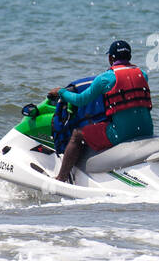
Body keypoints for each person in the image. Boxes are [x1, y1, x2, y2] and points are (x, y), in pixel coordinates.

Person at [49, 40, 153, 183]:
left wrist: (61, 92)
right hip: (146, 130)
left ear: (110, 58)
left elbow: (80, 100)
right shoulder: (142, 74)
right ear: (129, 57)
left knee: (77, 135)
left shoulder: (105, 78)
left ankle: (61, 177)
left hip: (121, 134)